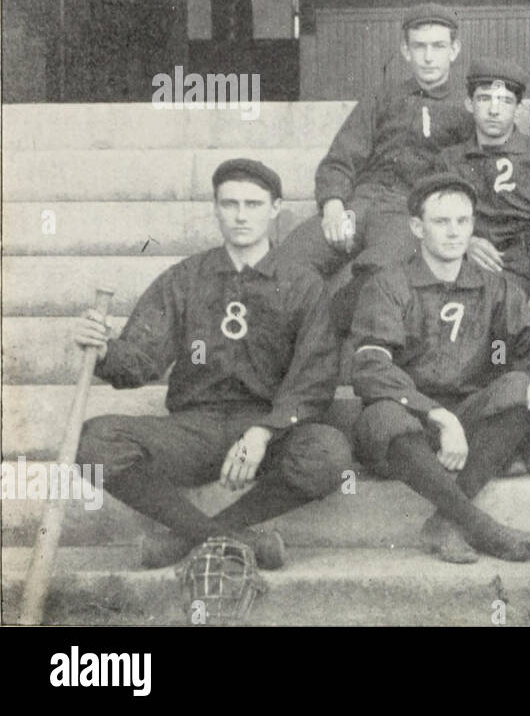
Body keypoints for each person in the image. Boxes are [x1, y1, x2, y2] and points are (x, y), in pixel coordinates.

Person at [72, 159, 351, 570]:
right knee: (93, 443)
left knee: (329, 452)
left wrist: (264, 431)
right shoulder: (186, 278)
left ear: (275, 209)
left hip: (266, 430)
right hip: (193, 429)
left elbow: (314, 378)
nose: (241, 215)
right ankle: (231, 541)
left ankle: (187, 538)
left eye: (253, 205)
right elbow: (139, 361)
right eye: (230, 204)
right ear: (216, 208)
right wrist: (105, 349)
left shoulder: (302, 283)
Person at [349, 173, 530, 563]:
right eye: (441, 222)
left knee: (522, 386)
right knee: (384, 416)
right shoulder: (390, 284)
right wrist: (434, 413)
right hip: (410, 421)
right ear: (417, 227)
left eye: (463, 222)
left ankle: (444, 522)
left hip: (468, 417)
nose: (454, 233)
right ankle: (479, 526)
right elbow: (371, 366)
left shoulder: (493, 286)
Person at [432, 57, 530, 474]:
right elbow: (436, 218)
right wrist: (467, 243)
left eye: (505, 100)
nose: (495, 108)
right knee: (485, 320)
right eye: (485, 98)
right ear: (469, 104)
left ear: (520, 108)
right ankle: (512, 437)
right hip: (480, 265)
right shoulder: (450, 160)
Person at [277, 3, 473, 316]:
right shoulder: (382, 97)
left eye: (438, 46)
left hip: (407, 213)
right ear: (405, 51)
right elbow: (341, 157)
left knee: (358, 281)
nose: (428, 57)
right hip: (358, 204)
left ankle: (325, 341)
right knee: (287, 261)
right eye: (419, 47)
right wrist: (333, 206)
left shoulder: (468, 108)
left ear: (454, 49)